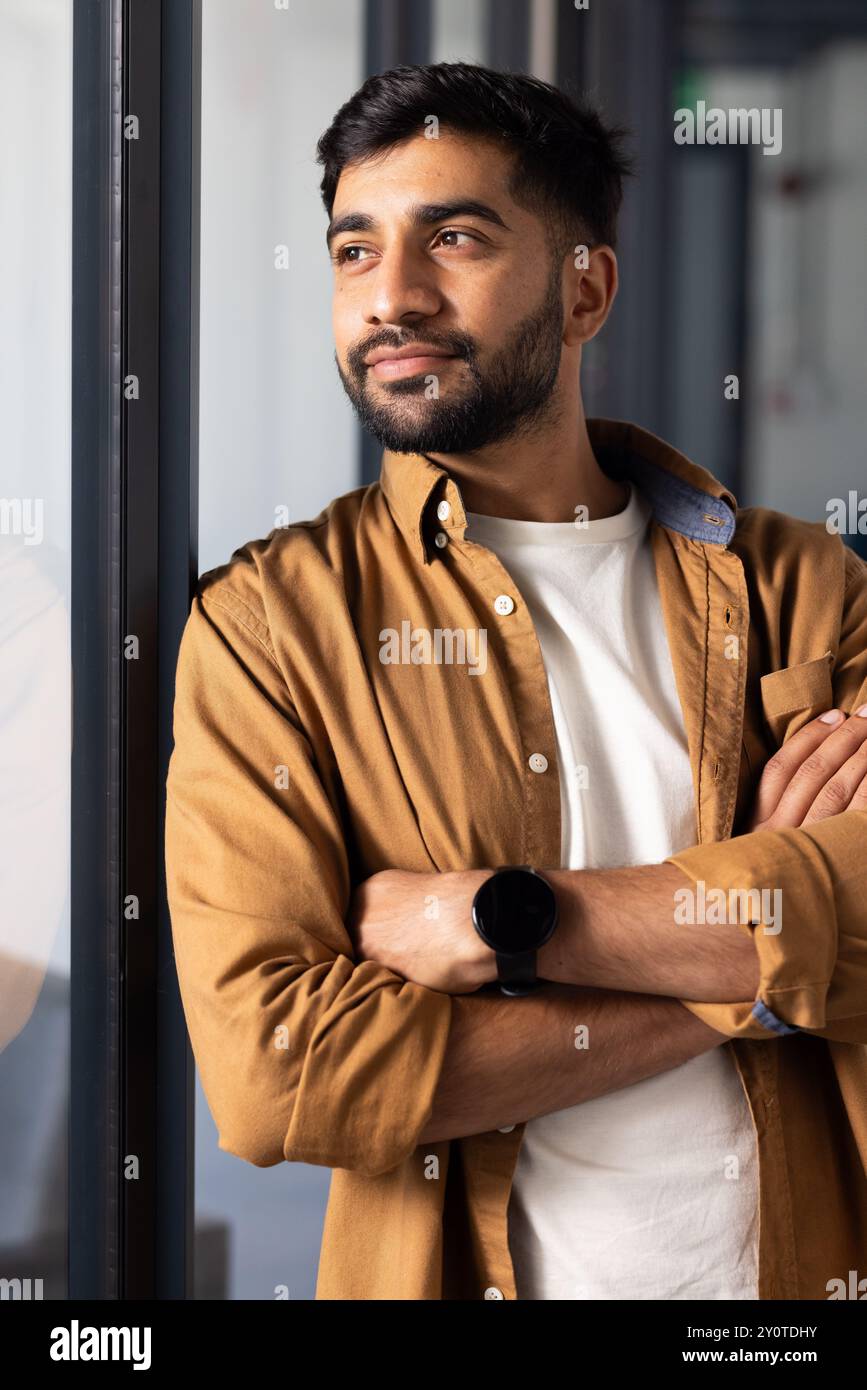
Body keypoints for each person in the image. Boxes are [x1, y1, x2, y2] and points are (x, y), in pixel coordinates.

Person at [165, 62, 867, 1301]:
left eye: (455, 238)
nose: (392, 297)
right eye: (352, 251)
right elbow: (280, 1072)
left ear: (585, 284)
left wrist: (501, 917)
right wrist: (762, 973)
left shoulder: (807, 587)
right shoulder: (267, 627)